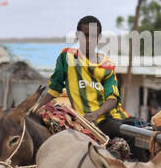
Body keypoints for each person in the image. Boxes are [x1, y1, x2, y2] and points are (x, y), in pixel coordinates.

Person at [36, 15, 147, 158]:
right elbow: (54, 89)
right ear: (77, 36)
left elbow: (112, 99)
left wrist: (96, 114)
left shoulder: (107, 65)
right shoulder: (67, 57)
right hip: (85, 121)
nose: (88, 40)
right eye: (85, 35)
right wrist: (34, 110)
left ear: (99, 37)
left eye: (93, 36)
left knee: (139, 132)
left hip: (105, 118)